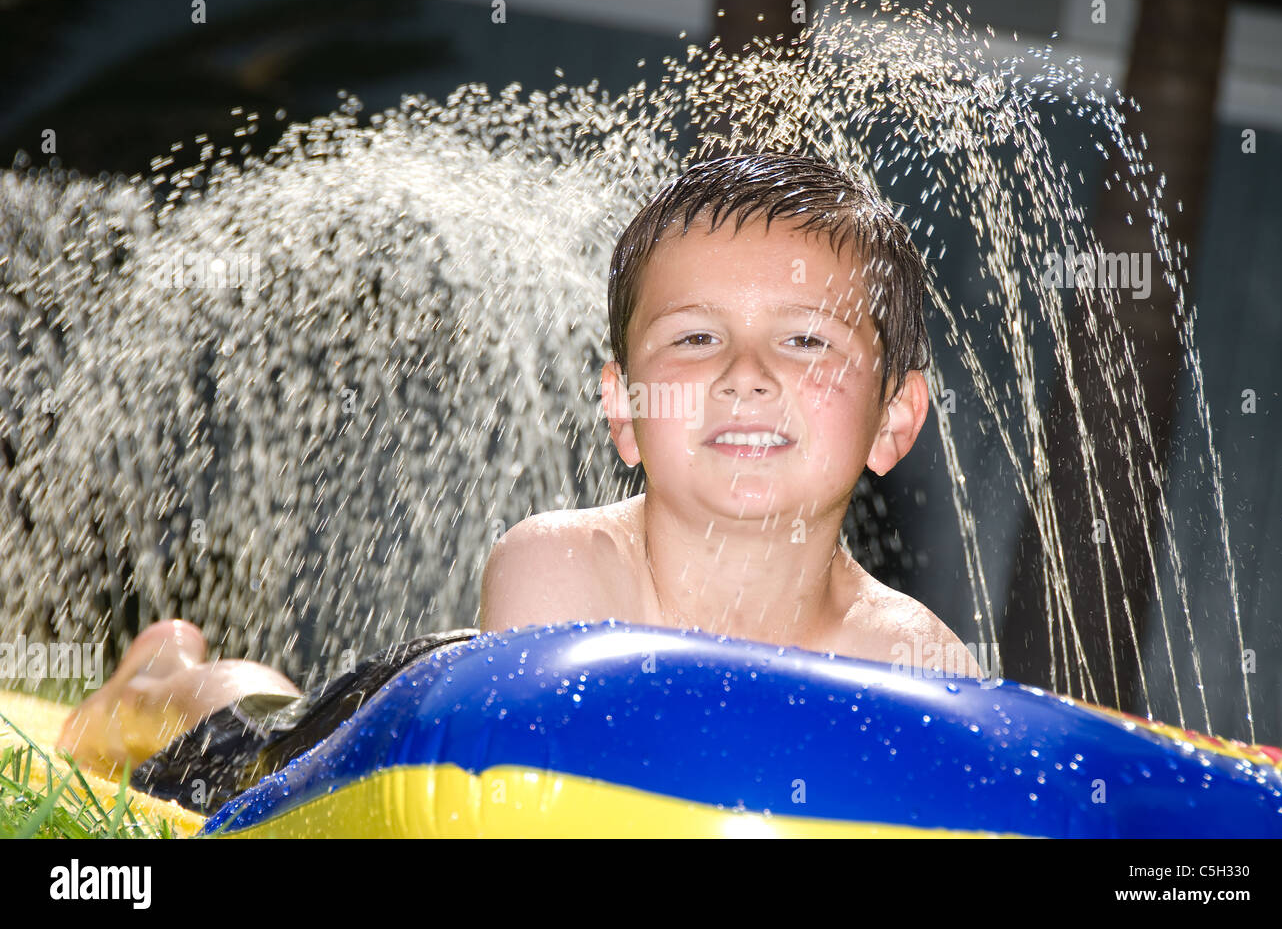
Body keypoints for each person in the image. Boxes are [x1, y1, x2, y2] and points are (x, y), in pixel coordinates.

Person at [56, 152, 980, 812]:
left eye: (807, 340)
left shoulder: (915, 661)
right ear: (624, 411)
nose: (748, 372)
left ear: (893, 421)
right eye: (696, 337)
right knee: (246, 734)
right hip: (381, 730)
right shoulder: (562, 570)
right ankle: (161, 679)